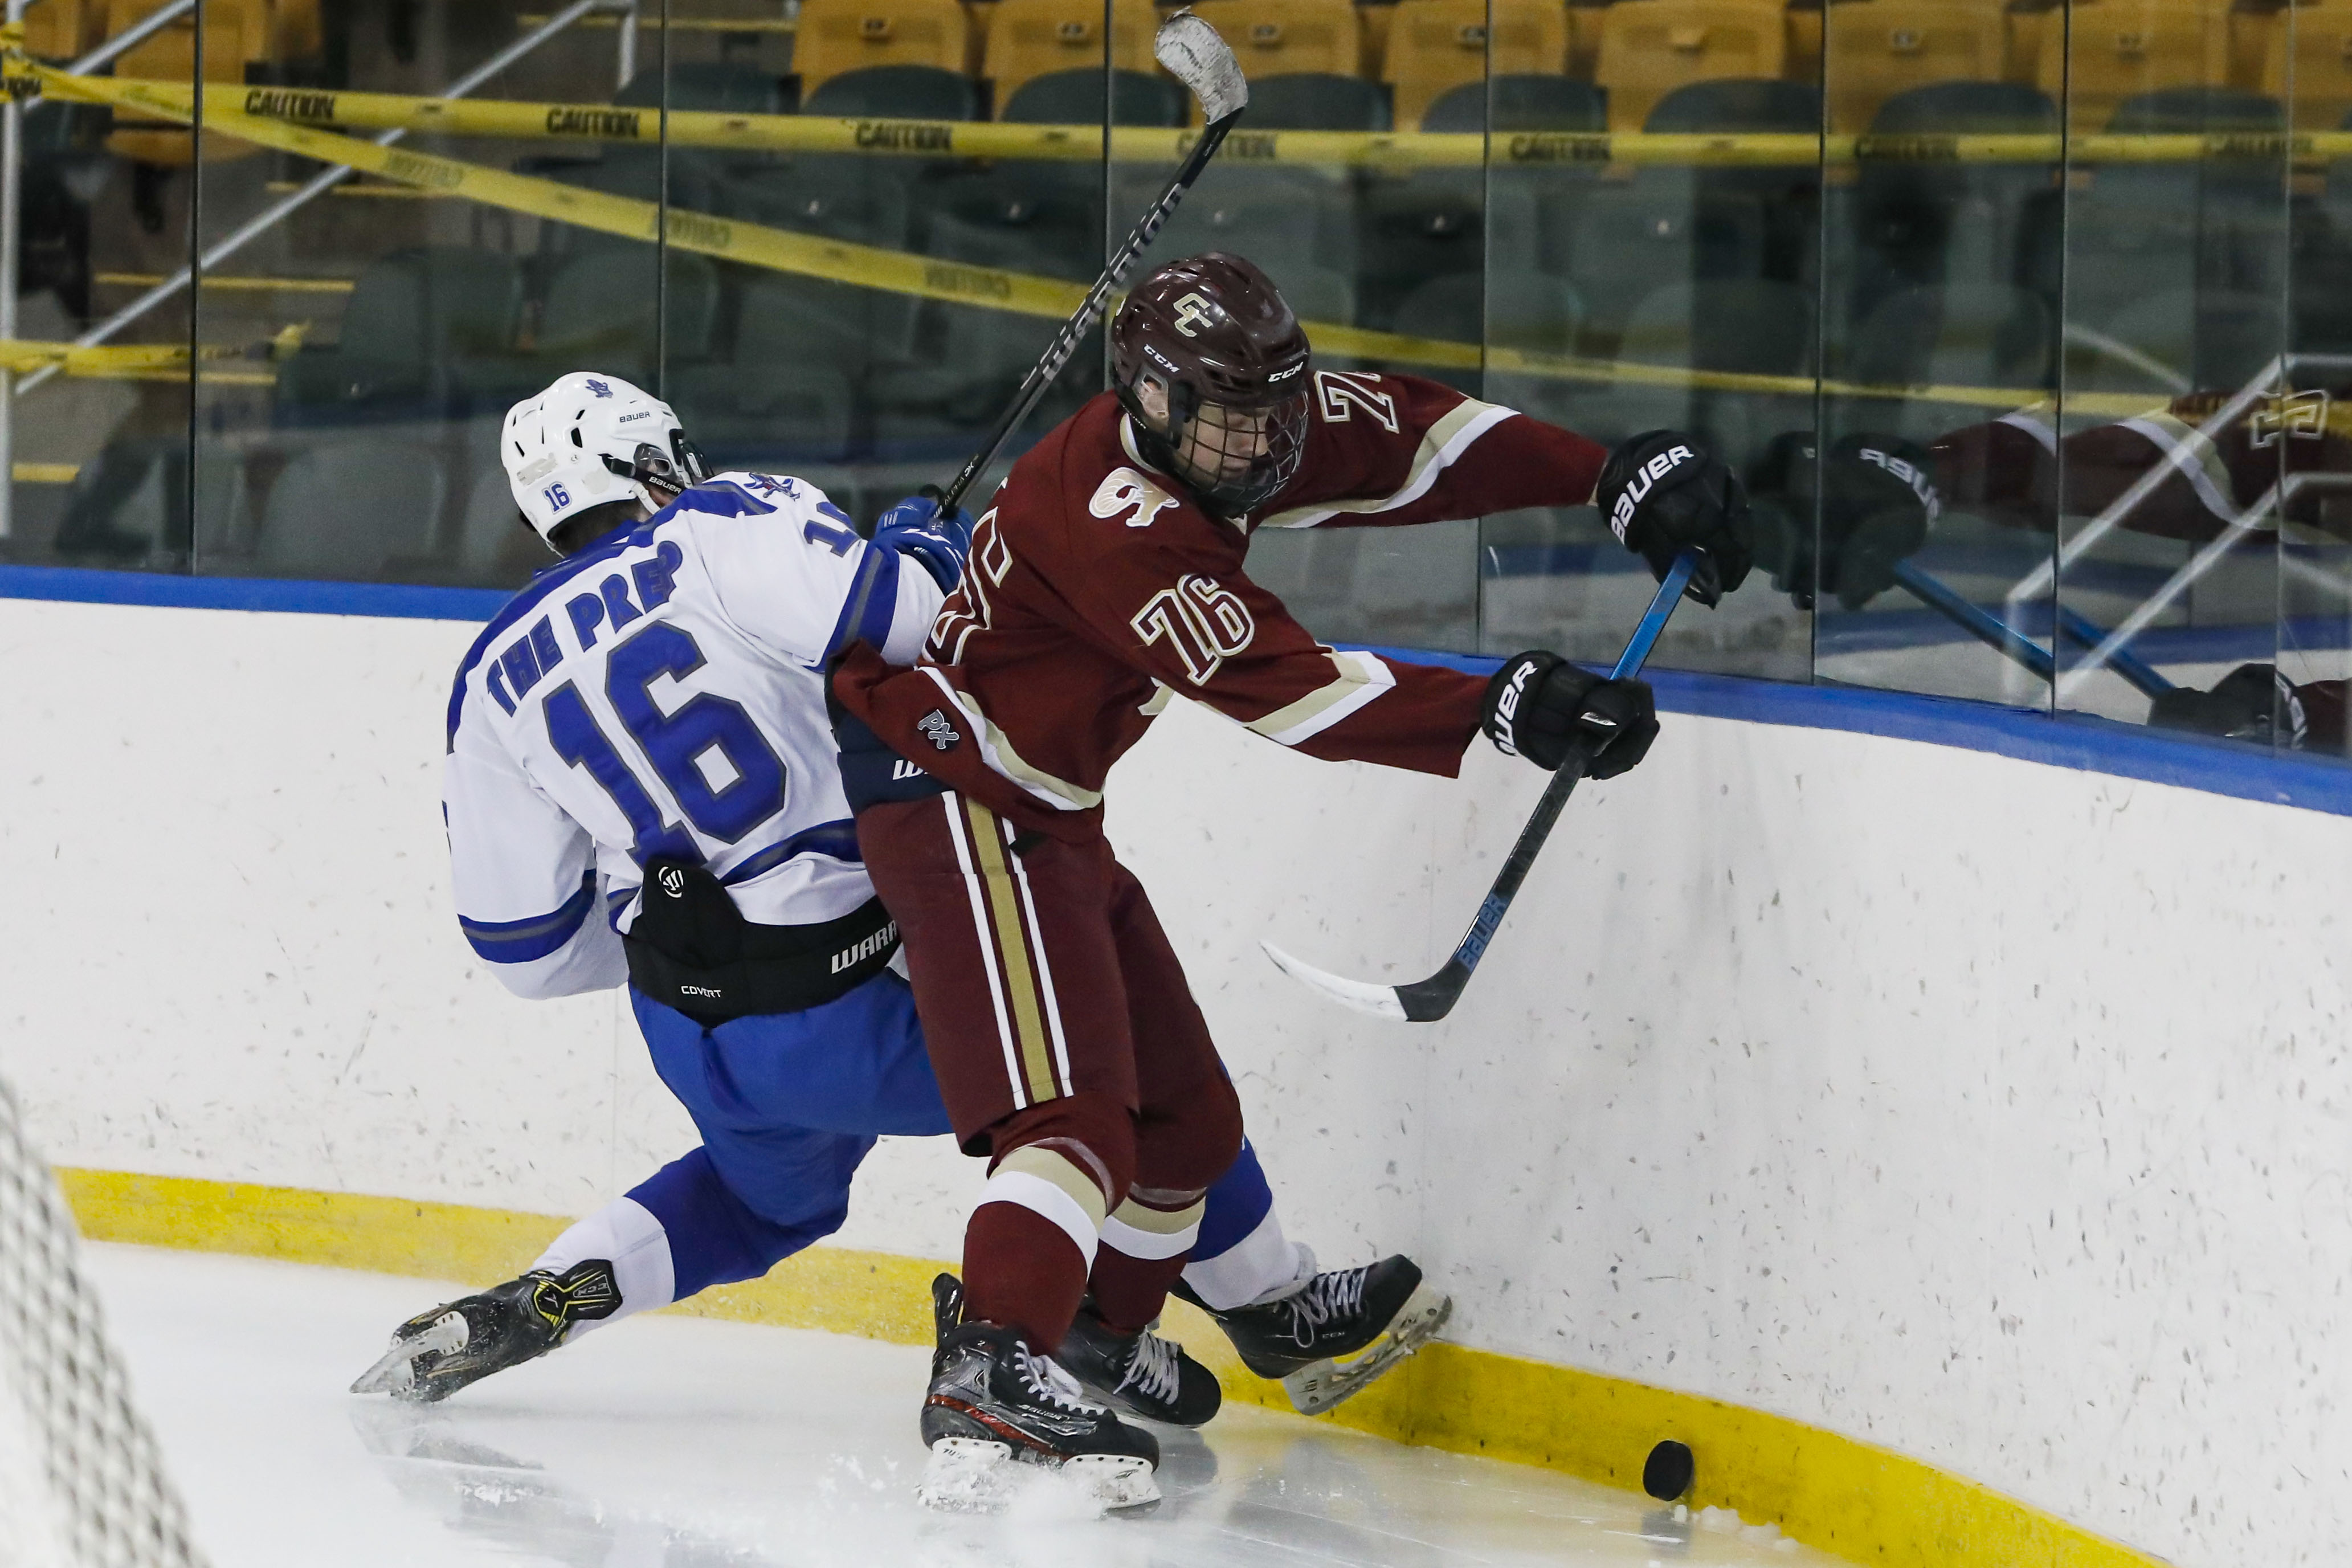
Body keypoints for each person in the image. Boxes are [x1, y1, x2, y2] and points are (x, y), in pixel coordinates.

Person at [350, 371, 1453, 1431]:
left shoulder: (491, 673)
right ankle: (1234, 1305)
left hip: (697, 1035)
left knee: (759, 1202)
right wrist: (922, 552)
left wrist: (702, 935)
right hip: (869, 995)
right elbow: (932, 626)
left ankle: (538, 1299)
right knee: (1119, 1062)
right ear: (655, 462)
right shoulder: (729, 518)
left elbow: (526, 952)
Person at [830, 252, 1753, 1506]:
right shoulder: (1109, 521)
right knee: (1075, 1120)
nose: (1258, 439)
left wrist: (1604, 475)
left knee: (1190, 1128)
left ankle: (1095, 1329)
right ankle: (993, 1361)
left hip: (1048, 810)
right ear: (1150, 399)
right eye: (1225, 414)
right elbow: (1293, 689)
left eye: (1272, 407)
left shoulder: (1237, 421)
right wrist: (1502, 704)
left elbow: (1418, 441)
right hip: (955, 801)